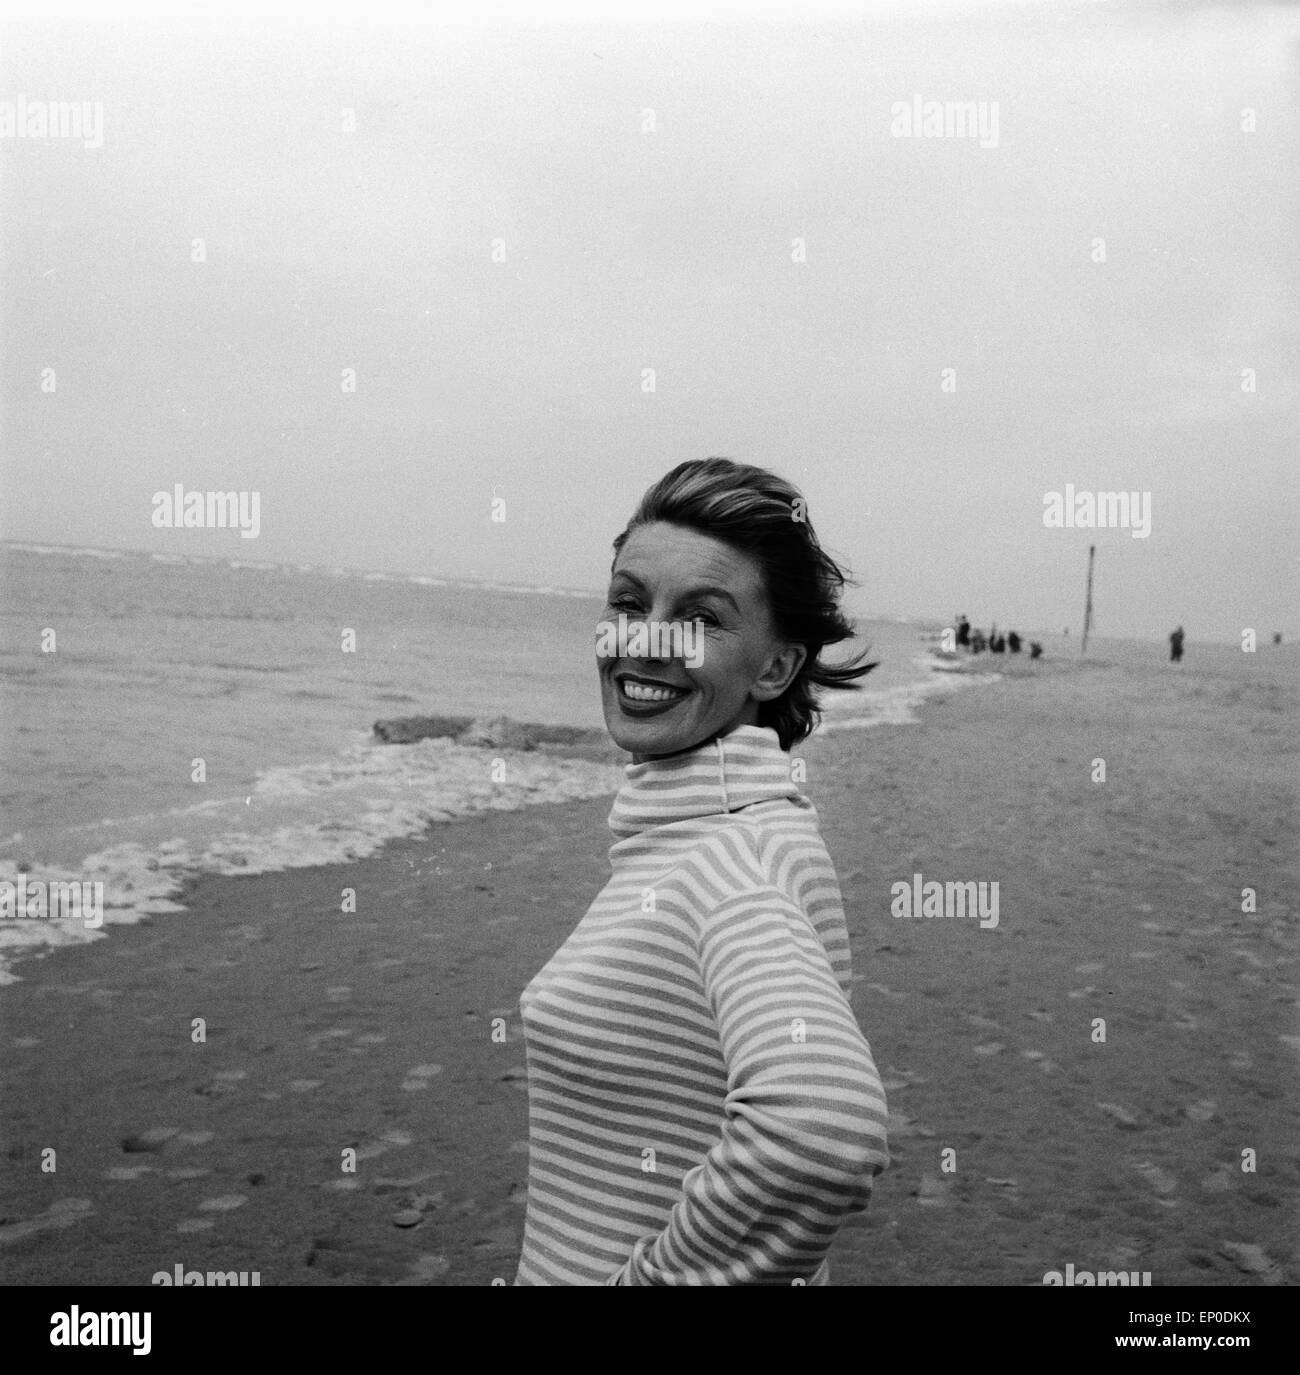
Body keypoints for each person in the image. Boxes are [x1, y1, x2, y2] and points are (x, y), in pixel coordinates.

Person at [514, 457, 890, 1286]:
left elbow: (824, 1131)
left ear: (775, 667)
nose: (643, 640)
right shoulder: (721, 827)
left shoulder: (733, 857)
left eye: (701, 617)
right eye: (626, 601)